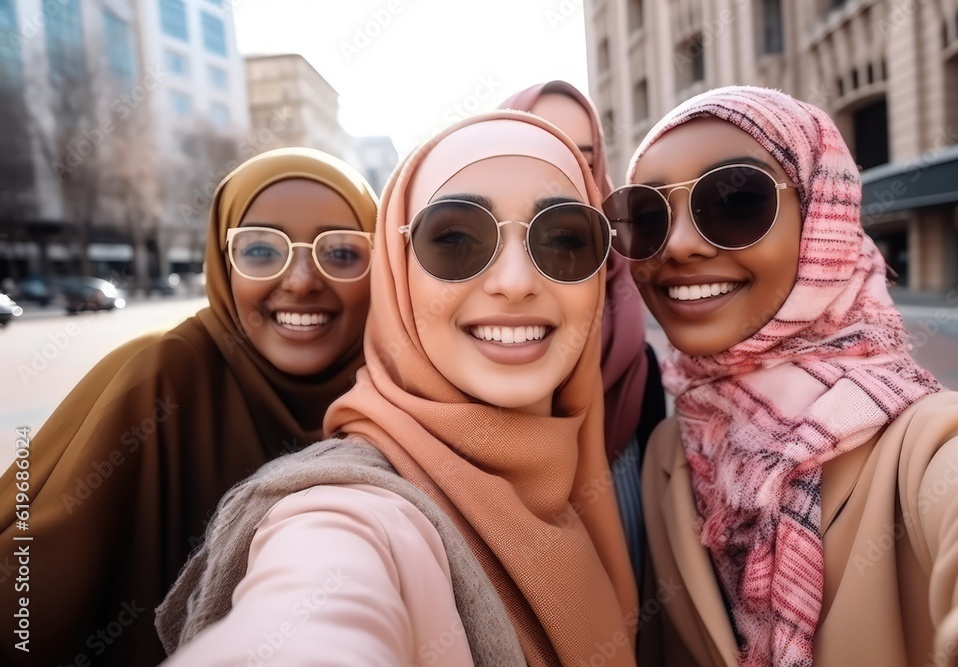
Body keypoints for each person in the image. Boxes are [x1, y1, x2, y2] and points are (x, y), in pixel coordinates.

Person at [155, 111, 640, 666]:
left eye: (564, 239)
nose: (514, 282)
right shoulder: (353, 510)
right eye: (454, 239)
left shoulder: (580, 483)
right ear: (396, 272)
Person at [605, 85, 958, 666]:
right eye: (646, 217)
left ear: (821, 220)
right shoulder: (672, 447)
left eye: (737, 201)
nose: (680, 246)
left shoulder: (933, 449)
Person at [0, 148, 378, 666]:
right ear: (222, 264)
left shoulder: (400, 395)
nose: (300, 280)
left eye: (340, 252)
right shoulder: (161, 373)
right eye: (261, 249)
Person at [500, 81, 666, 581]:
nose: (561, 168)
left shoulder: (635, 356)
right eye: (539, 147)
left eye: (581, 156)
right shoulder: (461, 334)